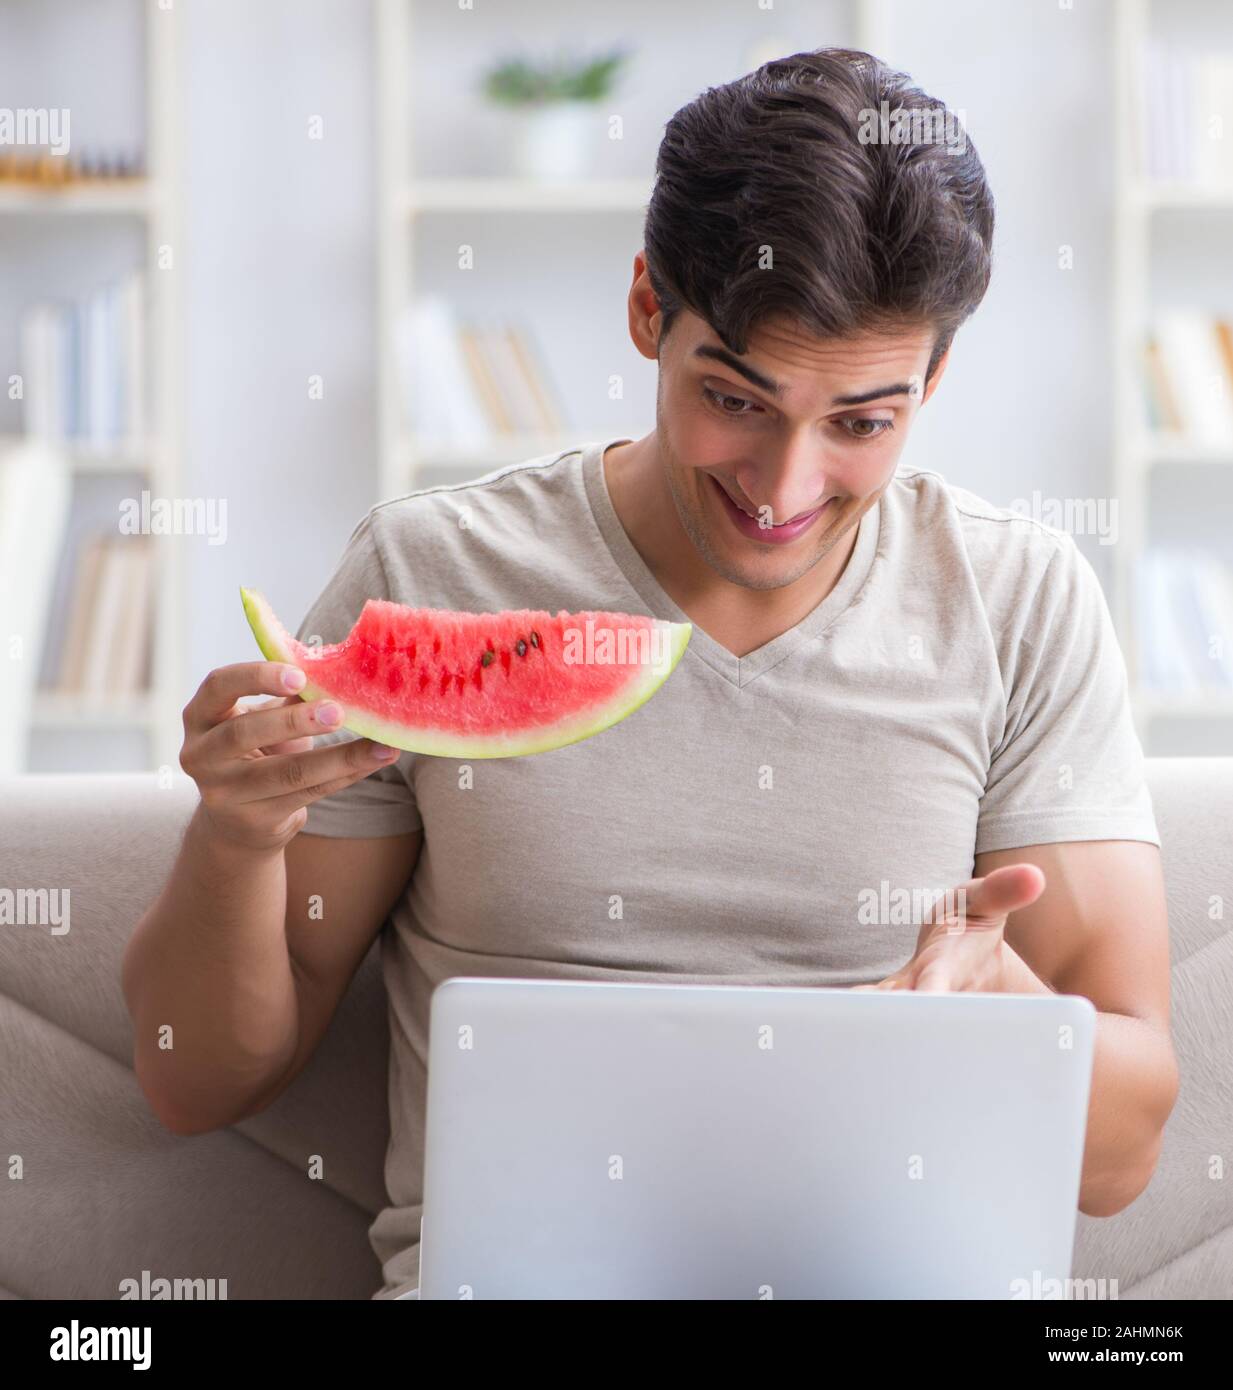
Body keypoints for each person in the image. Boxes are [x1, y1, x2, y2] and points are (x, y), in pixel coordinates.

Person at [122, 48, 1178, 1300]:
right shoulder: (431, 567)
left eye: (861, 423)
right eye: (734, 398)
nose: (784, 491)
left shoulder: (1019, 599)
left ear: (933, 378)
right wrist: (237, 838)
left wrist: (1005, 1003)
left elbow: (1121, 1159)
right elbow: (198, 1078)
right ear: (645, 310)